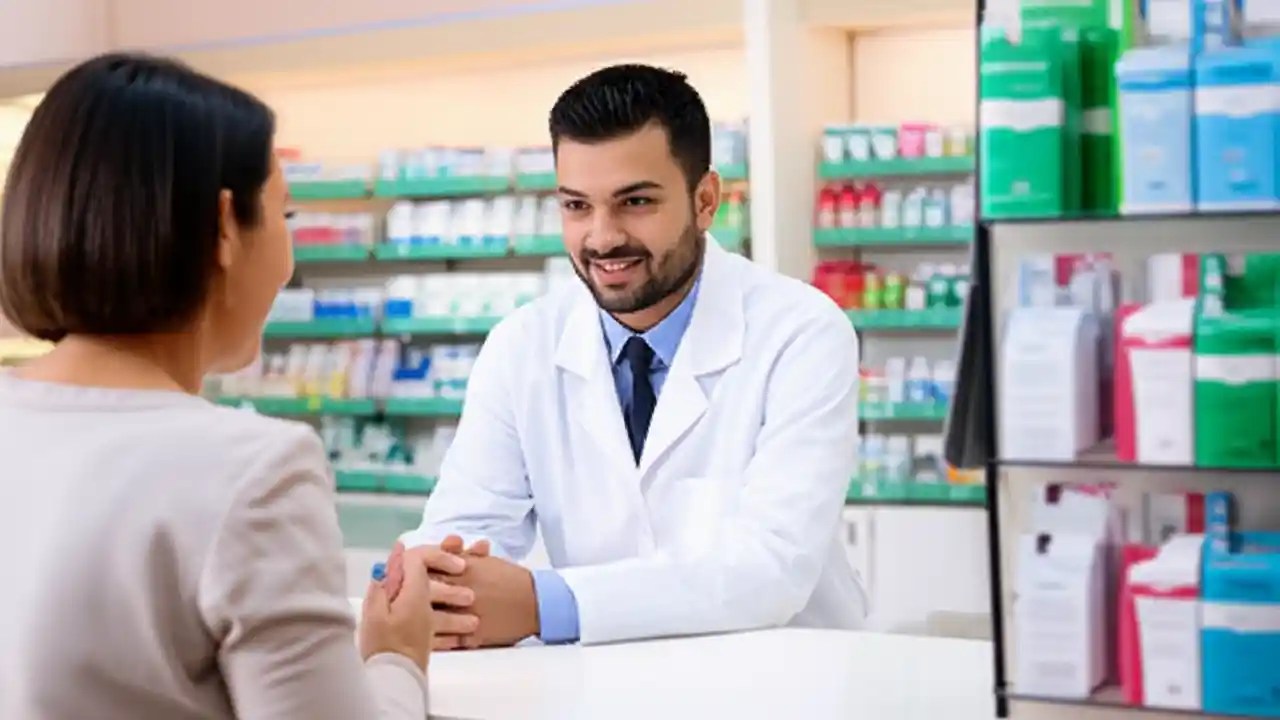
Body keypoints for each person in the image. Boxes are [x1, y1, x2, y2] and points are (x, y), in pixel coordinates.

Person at [0, 53, 443, 719]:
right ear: (225, 227)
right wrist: (394, 659)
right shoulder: (251, 470)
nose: (288, 263)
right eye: (284, 218)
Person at [400, 64, 867, 648]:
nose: (601, 237)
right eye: (576, 206)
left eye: (635, 201)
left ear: (705, 200)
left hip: (782, 680)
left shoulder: (801, 332)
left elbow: (770, 568)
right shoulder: (522, 345)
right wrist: (429, 579)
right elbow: (464, 527)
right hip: (602, 682)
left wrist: (543, 604)